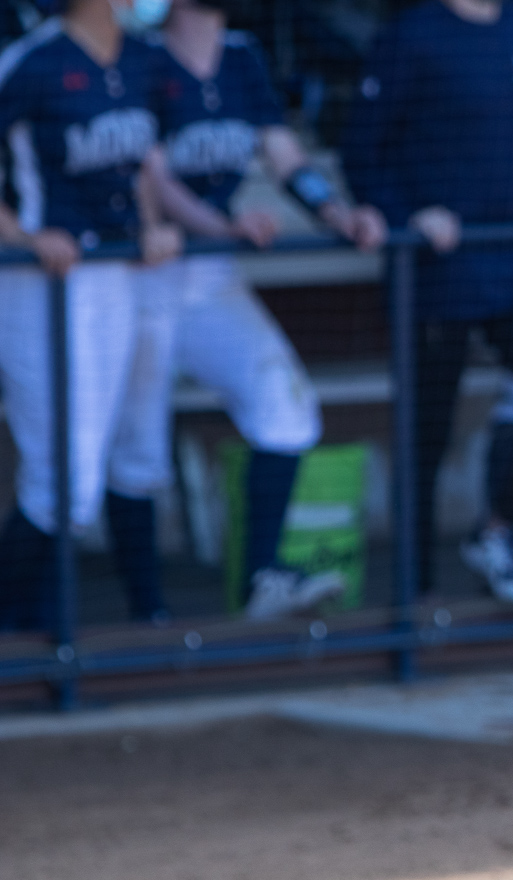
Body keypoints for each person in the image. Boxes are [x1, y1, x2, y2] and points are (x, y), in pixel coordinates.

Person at [109, 0, 387, 621]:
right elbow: (148, 176)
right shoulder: (139, 57)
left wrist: (340, 214)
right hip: (143, 274)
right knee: (138, 447)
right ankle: (143, 613)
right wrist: (221, 224)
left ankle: (263, 579)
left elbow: (284, 154)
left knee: (284, 406)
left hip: (210, 276)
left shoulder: (242, 58)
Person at [343, 0, 513, 608]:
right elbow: (361, 151)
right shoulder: (411, 32)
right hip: (438, 267)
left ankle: (497, 525)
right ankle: (412, 598)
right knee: (427, 430)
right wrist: (409, 215)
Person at [0, 0, 184, 629]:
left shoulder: (141, 59)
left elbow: (137, 165)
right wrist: (25, 238)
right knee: (64, 474)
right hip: (42, 284)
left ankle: (117, 625)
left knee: (131, 450)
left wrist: (154, 225)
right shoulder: (30, 62)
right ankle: (42, 640)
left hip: (123, 277)